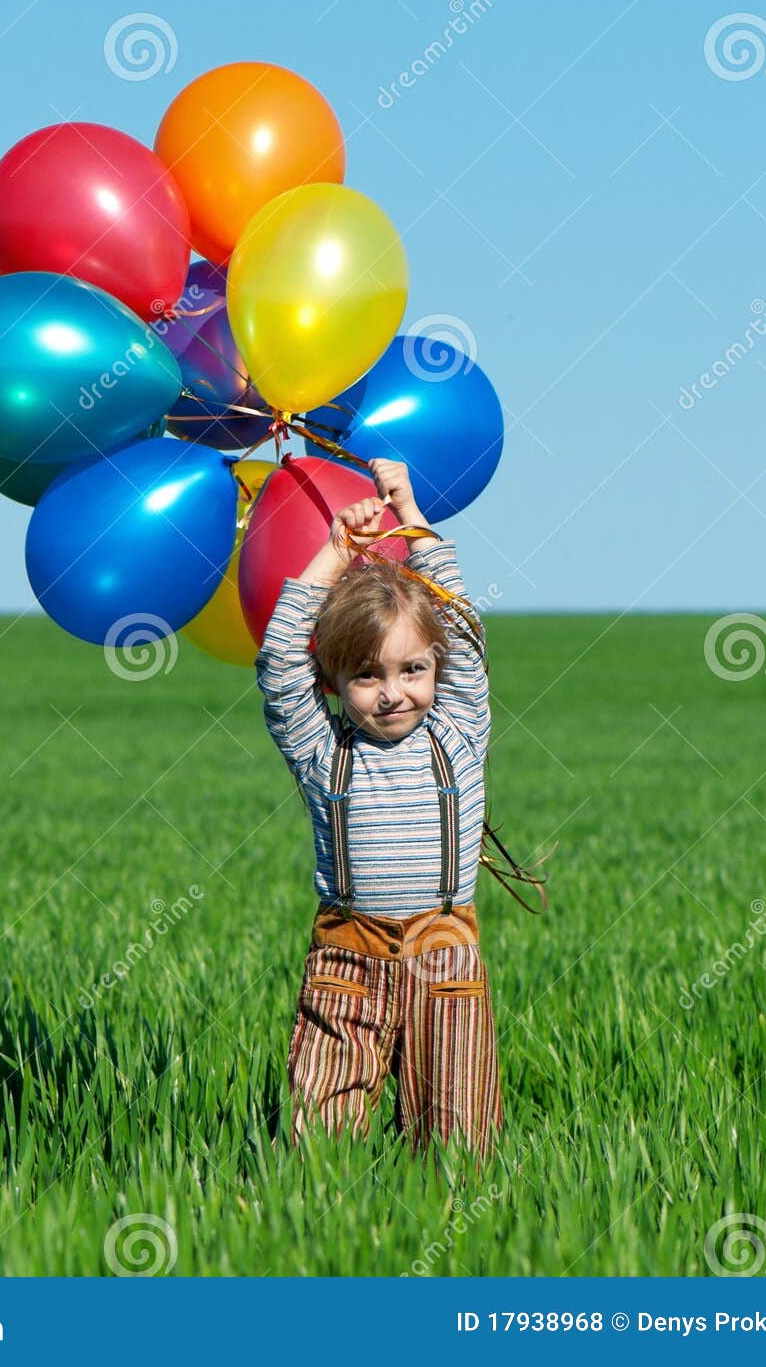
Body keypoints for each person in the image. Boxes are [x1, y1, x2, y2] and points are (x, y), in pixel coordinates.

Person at [256, 456, 505, 1160]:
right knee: (321, 1147)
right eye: (366, 675)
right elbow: (278, 663)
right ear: (332, 682)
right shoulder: (320, 751)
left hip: (444, 962)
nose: (392, 692)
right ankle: (325, 1225)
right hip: (347, 966)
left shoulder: (458, 734)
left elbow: (462, 628)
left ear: (437, 669)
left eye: (412, 669)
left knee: (458, 1147)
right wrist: (336, 551)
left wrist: (410, 515)